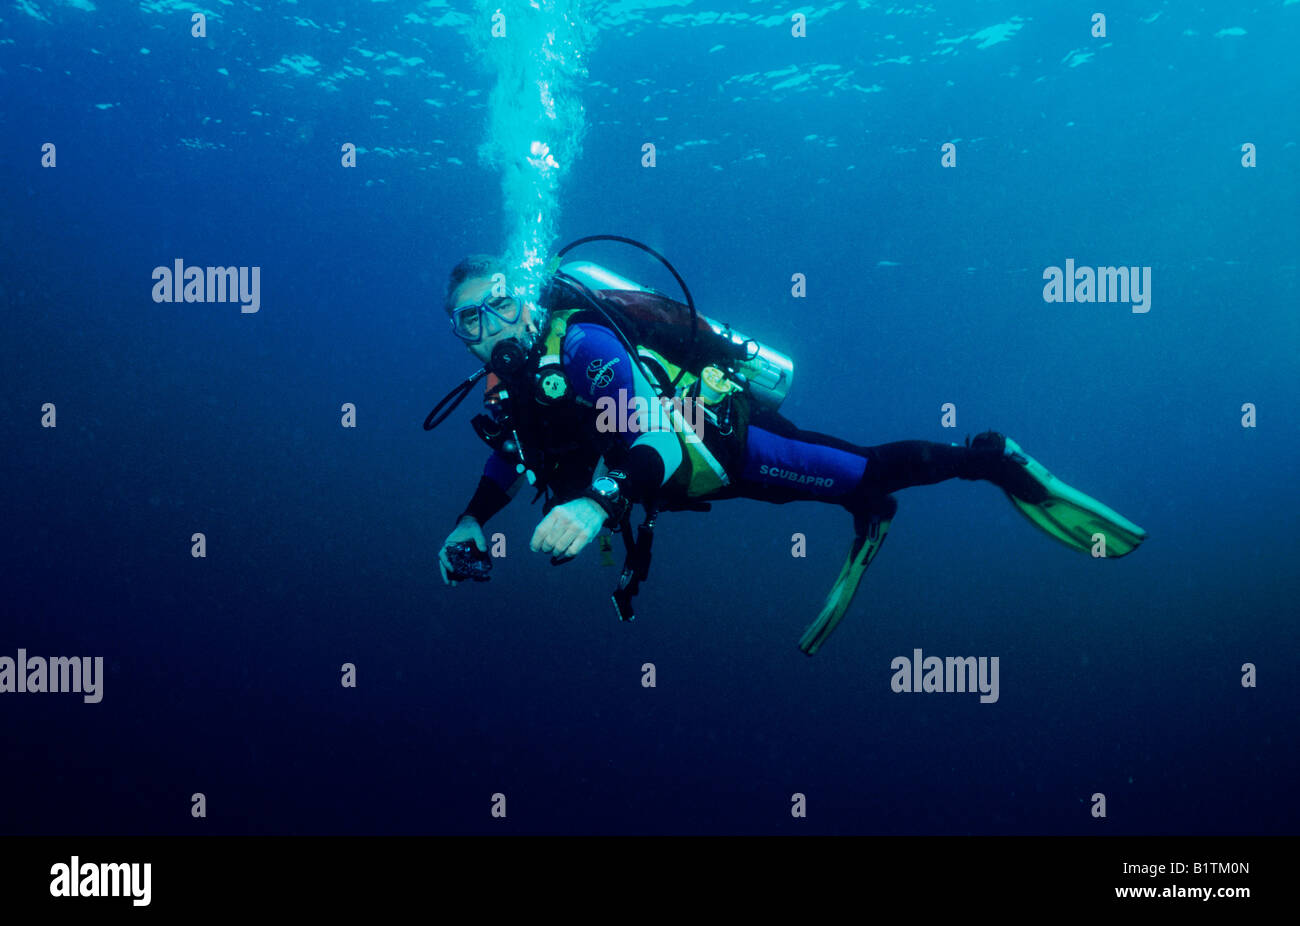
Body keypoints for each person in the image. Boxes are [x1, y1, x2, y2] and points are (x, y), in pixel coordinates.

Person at [434, 245, 1147, 654]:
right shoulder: (507, 387)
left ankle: (990, 459)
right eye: (472, 316)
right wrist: (472, 520)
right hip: (697, 484)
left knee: (853, 468)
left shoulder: (583, 346)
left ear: (526, 299)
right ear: (459, 332)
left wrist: (597, 503)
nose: (491, 323)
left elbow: (648, 432)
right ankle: (871, 507)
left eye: (501, 301)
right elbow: (515, 457)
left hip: (719, 447)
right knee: (812, 491)